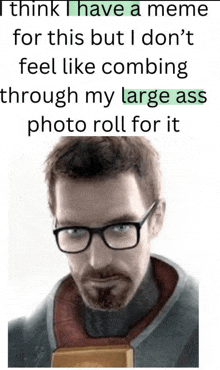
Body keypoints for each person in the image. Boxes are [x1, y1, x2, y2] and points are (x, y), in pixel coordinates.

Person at [8, 136, 198, 367]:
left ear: (156, 220)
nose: (98, 261)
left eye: (120, 228)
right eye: (75, 230)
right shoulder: (13, 347)